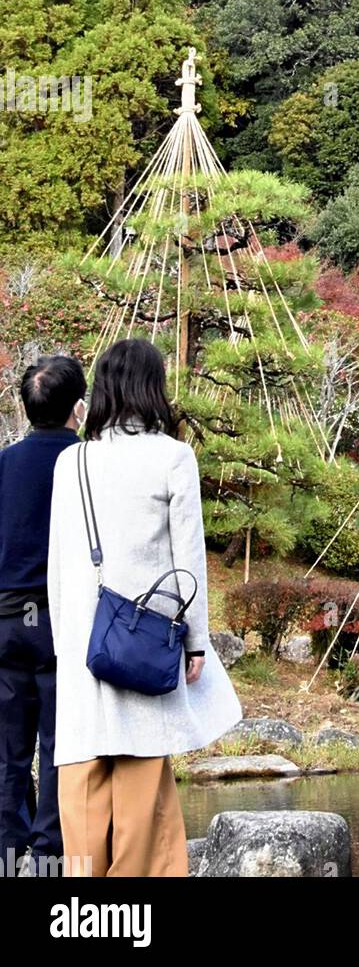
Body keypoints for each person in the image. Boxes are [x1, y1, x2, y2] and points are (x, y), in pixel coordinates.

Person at [48, 338, 241, 877]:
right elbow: (189, 561)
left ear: (103, 389)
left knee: (83, 777)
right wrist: (196, 641)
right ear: (152, 388)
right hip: (145, 637)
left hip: (85, 641)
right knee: (141, 773)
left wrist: (65, 646)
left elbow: (57, 563)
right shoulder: (173, 457)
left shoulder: (73, 461)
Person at [0, 356, 86, 874]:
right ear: (79, 406)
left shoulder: (5, 462)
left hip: (7, 618)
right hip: (59, 619)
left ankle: (8, 855)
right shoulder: (84, 463)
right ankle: (50, 853)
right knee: (58, 742)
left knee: (8, 748)